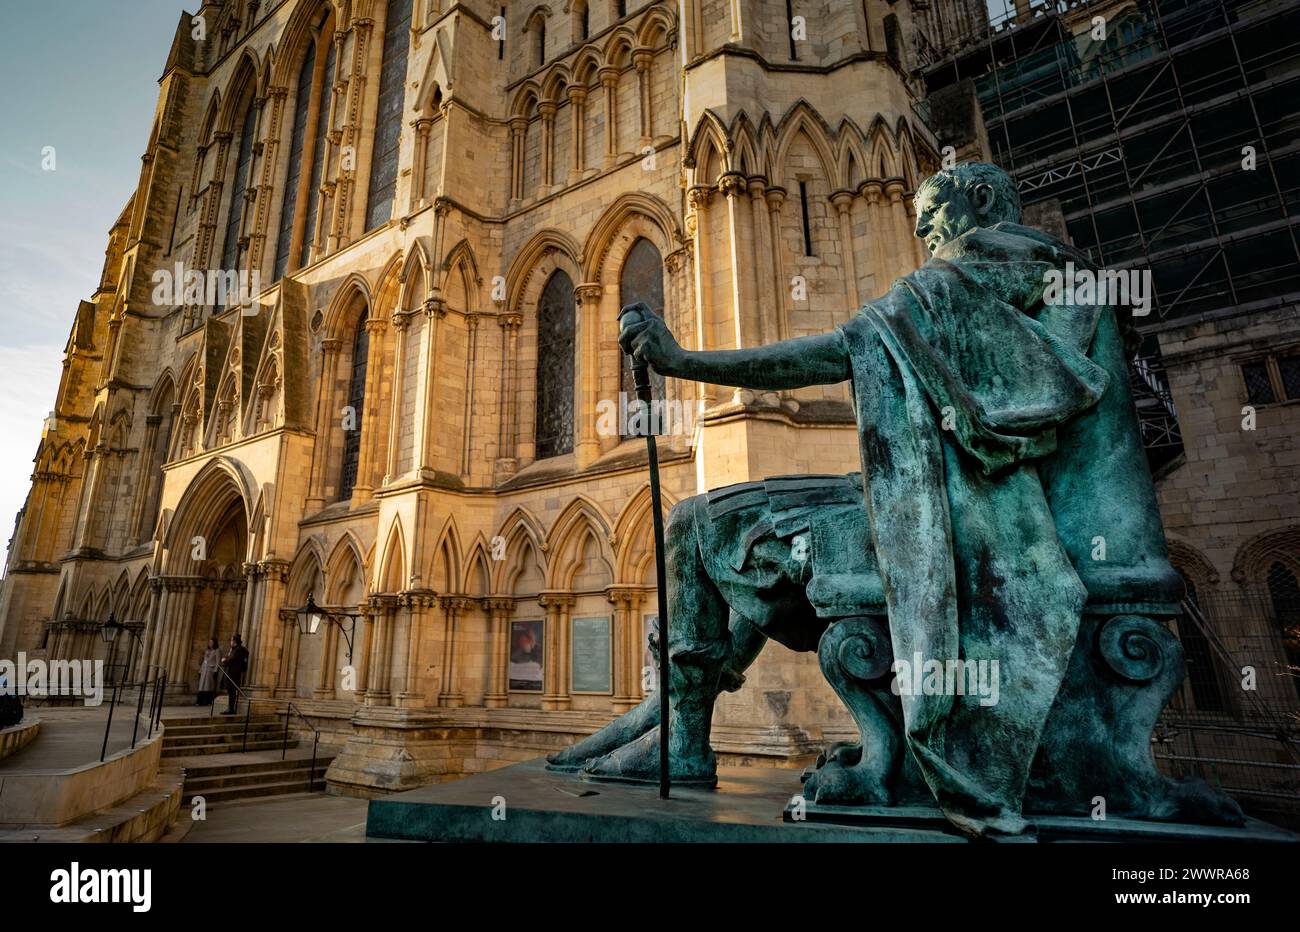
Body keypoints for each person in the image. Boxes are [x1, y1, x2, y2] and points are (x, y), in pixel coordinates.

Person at [564, 162, 1179, 838]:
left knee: (695, 521)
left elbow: (837, 355)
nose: (918, 226)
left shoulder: (984, 271)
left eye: (930, 207)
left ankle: (685, 740)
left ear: (978, 199)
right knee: (698, 520)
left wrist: (686, 363)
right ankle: (678, 733)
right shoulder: (1047, 278)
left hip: (971, 513)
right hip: (953, 496)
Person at [220, 633, 249, 715]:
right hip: (233, 672)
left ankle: (231, 708)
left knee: (232, 690)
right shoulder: (235, 649)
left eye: (231, 640)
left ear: (235, 641)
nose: (230, 642)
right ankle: (230, 707)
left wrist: (224, 660)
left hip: (233, 672)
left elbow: (232, 659)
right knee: (231, 690)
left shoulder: (238, 650)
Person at [196, 637, 221, 706]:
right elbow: (204, 661)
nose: (210, 644)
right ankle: (200, 701)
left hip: (210, 670)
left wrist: (216, 670)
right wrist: (200, 670)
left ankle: (207, 701)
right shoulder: (207, 651)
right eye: (209, 642)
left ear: (214, 643)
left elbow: (218, 661)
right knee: (201, 685)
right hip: (204, 669)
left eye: (212, 642)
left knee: (208, 685)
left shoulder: (217, 651)